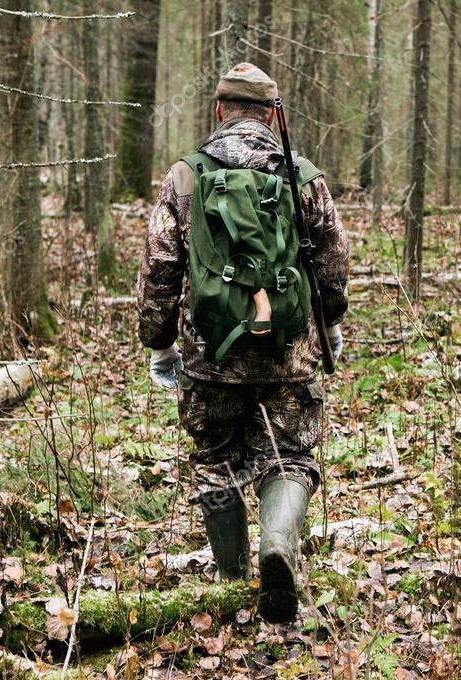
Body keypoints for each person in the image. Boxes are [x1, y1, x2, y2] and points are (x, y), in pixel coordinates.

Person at [136, 63, 349, 624]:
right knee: (291, 456)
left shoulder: (186, 176)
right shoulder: (303, 176)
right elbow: (332, 264)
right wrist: (330, 324)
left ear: (219, 110)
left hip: (210, 355)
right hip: (288, 352)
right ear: (272, 114)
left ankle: (231, 586)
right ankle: (277, 547)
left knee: (215, 462)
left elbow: (159, 269)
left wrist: (159, 345)